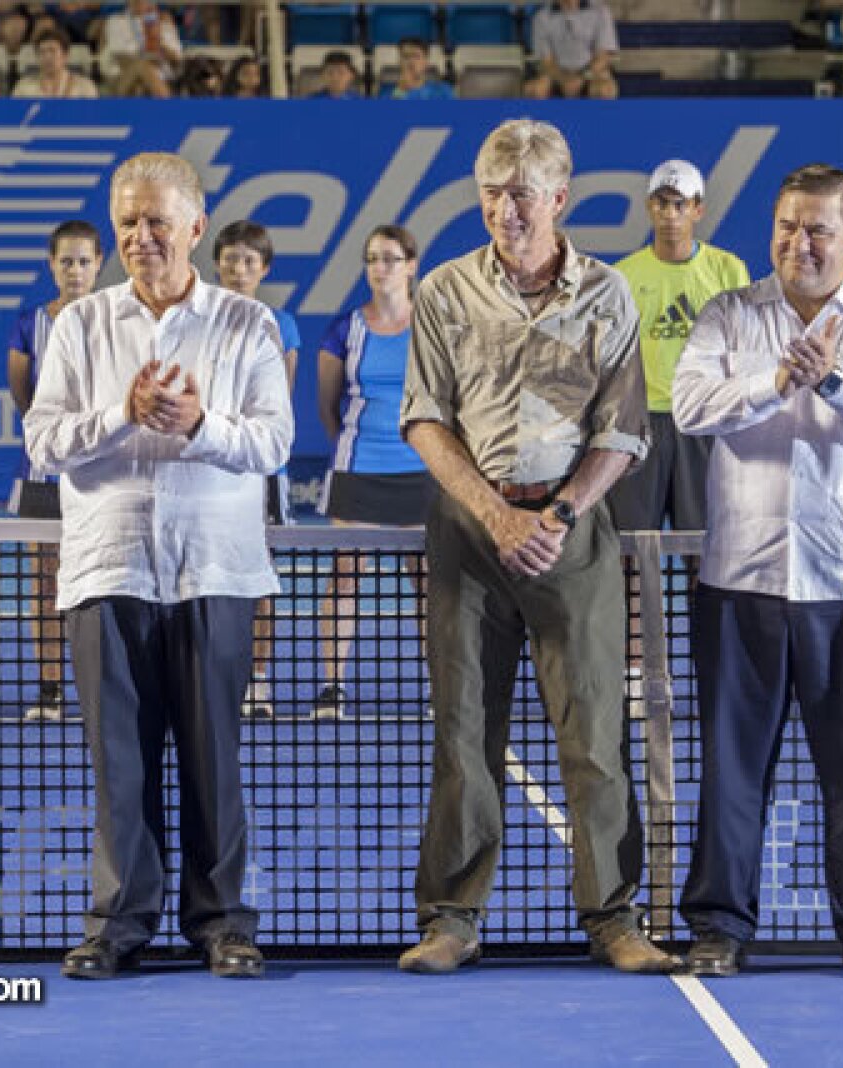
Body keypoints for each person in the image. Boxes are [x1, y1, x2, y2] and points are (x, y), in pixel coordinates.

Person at [398, 118, 675, 976]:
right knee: (462, 733)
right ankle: (452, 918)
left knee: (595, 730)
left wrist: (552, 516)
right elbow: (426, 419)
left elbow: (623, 430)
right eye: (490, 191)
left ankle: (614, 920)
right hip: (469, 530)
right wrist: (495, 514)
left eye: (521, 194)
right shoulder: (443, 290)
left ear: (560, 197)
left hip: (575, 530)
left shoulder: (609, 294)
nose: (504, 210)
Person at [26, 152, 292, 981]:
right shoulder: (77, 325)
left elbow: (274, 443)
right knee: (121, 764)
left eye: (157, 221)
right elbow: (41, 443)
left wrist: (199, 422)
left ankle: (222, 925)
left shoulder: (249, 326)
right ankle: (118, 922)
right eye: (128, 223)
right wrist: (121, 414)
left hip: (216, 572)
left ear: (195, 227)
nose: (141, 237)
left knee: (215, 761)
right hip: (107, 572)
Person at [671, 163, 843, 980]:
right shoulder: (728, 314)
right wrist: (775, 380)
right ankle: (718, 924)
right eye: (787, 225)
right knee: (730, 770)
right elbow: (688, 407)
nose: (799, 242)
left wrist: (837, 383)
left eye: (818, 228)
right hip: (739, 580)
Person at [609, 159, 749, 715]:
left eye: (681, 203)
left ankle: (713, 670)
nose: (670, 214)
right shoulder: (622, 276)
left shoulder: (729, 269)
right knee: (633, 556)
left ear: (698, 210)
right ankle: (639, 676)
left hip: (704, 426)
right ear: (651, 208)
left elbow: (749, 348)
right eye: (661, 203)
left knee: (707, 555)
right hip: (642, 427)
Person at [313, 225, 434, 719]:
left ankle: (438, 686)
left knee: (429, 579)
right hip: (360, 467)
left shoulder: (431, 327)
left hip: (421, 468)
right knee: (346, 574)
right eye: (372, 259)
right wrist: (351, 446)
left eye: (389, 258)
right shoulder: (345, 330)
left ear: (411, 265)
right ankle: (332, 688)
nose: (379, 267)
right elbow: (327, 406)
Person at [8, 219, 103, 723]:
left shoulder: (115, 319)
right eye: (66, 260)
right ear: (52, 265)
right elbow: (26, 400)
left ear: (98, 265)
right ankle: (50, 689)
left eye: (84, 261)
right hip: (43, 476)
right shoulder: (30, 325)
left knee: (100, 583)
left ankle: (100, 687)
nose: (75, 270)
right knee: (45, 583)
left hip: (100, 478)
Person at [213, 219, 301, 718]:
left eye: (249, 261)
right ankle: (218, 672)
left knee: (261, 577)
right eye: (230, 259)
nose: (239, 269)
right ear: (218, 264)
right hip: (210, 466)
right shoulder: (198, 315)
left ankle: (258, 681)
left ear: (263, 268)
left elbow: (278, 404)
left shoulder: (280, 324)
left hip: (261, 471)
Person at [524, 0, 619, 100]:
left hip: (591, 72)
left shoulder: (600, 11)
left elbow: (602, 57)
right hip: (556, 73)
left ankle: (598, 116)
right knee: (534, 90)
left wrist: (582, 77)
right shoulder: (541, 17)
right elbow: (547, 61)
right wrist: (563, 79)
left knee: (604, 90)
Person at [101, 0, 182, 99]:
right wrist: (148, 60)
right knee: (142, 66)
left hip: (162, 77)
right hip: (124, 76)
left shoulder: (163, 22)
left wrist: (159, 43)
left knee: (140, 87)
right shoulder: (116, 21)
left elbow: (177, 58)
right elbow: (120, 57)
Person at [12, 26, 100, 98]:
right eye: (42, 52)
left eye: (52, 51)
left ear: (65, 55)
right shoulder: (23, 87)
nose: (47, 57)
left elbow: (92, 118)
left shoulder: (85, 87)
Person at [378, 36, 454, 99]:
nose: (411, 62)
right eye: (406, 56)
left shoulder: (443, 91)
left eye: (416, 56)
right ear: (399, 62)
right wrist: (401, 89)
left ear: (426, 62)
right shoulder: (386, 92)